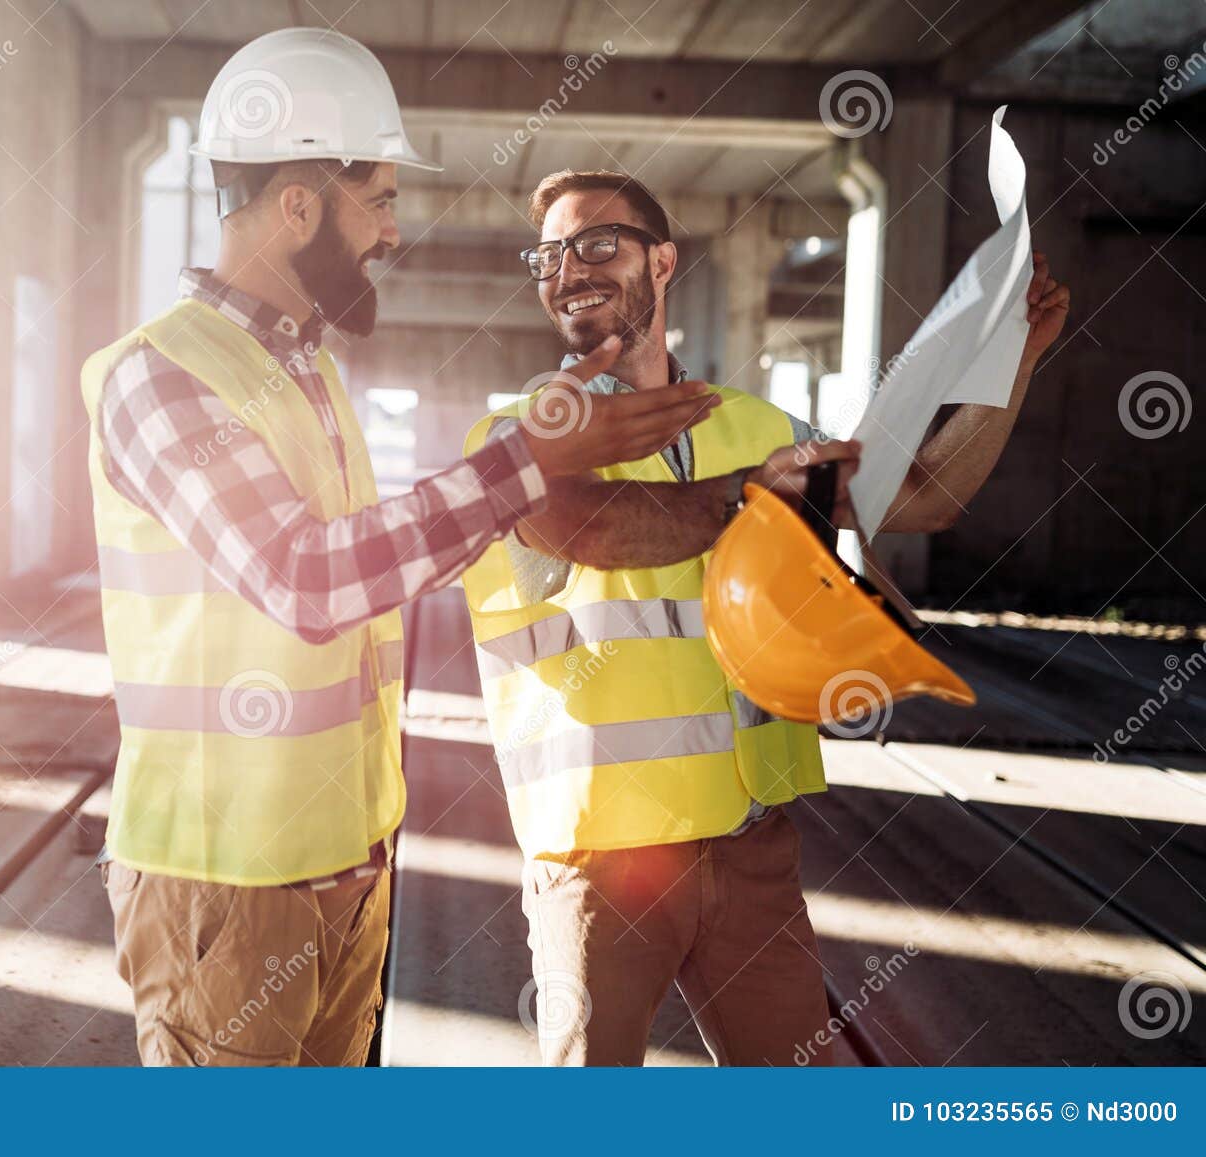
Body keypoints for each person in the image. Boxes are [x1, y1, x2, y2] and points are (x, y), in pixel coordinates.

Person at [81, 38, 717, 1066]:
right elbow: (306, 577)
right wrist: (527, 462)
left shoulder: (312, 373)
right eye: (375, 198)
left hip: (349, 863)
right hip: (224, 877)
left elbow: (381, 560)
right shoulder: (160, 377)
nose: (393, 229)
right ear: (297, 204)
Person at [460, 168, 1070, 1066]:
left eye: (597, 243)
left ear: (663, 261)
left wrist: (1013, 359)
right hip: (599, 855)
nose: (567, 269)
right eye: (548, 254)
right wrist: (755, 494)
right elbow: (600, 527)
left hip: (748, 844)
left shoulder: (753, 424)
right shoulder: (513, 440)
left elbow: (925, 494)